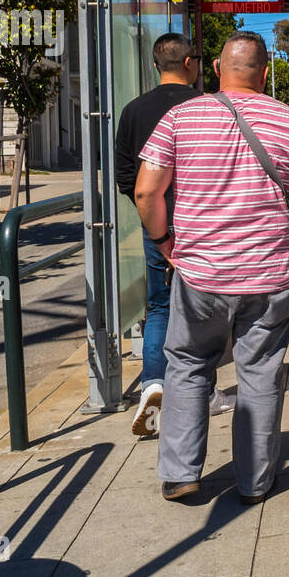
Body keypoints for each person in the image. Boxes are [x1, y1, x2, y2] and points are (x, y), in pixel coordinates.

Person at [135, 31, 289, 503]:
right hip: (269, 276)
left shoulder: (180, 117)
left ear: (215, 70)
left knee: (186, 365)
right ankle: (254, 481)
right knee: (260, 371)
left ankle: (181, 473)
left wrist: (165, 242)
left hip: (201, 275)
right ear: (265, 74)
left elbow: (147, 192)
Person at [114, 32, 199, 437]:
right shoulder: (205, 106)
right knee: (203, 306)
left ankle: (153, 383)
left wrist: (153, 218)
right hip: (205, 223)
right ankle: (200, 391)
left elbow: (125, 177)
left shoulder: (133, 111)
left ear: (154, 65)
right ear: (189, 64)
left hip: (157, 223)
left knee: (160, 305)